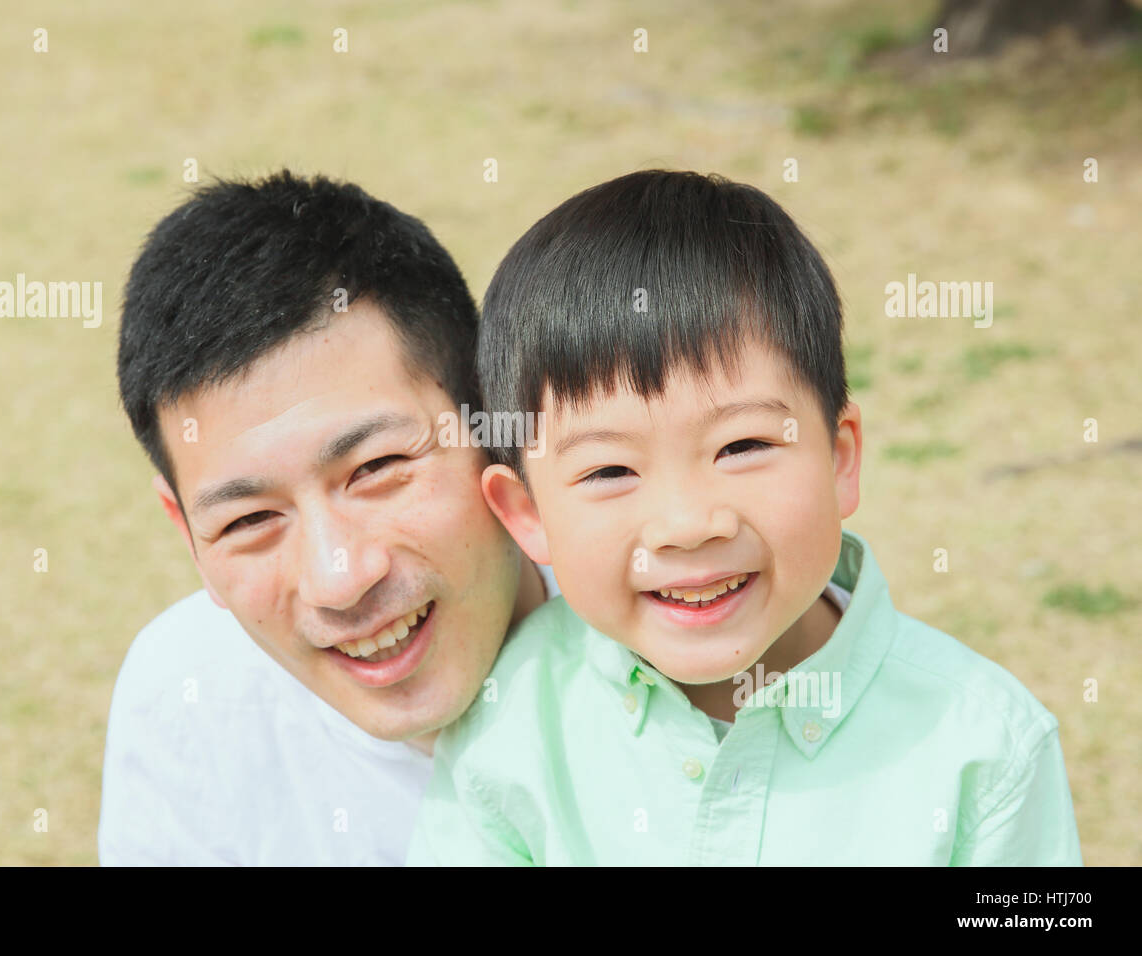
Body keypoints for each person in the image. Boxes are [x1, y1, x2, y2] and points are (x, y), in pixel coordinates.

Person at [408, 170, 1083, 865]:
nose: (688, 522)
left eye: (743, 446)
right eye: (610, 470)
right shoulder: (511, 716)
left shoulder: (984, 748)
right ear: (528, 514)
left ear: (839, 458)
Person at [100, 171, 554, 865]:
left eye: (375, 469)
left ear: (495, 424)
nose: (339, 581)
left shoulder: (690, 627)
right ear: (186, 532)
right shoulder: (184, 700)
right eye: (249, 520)